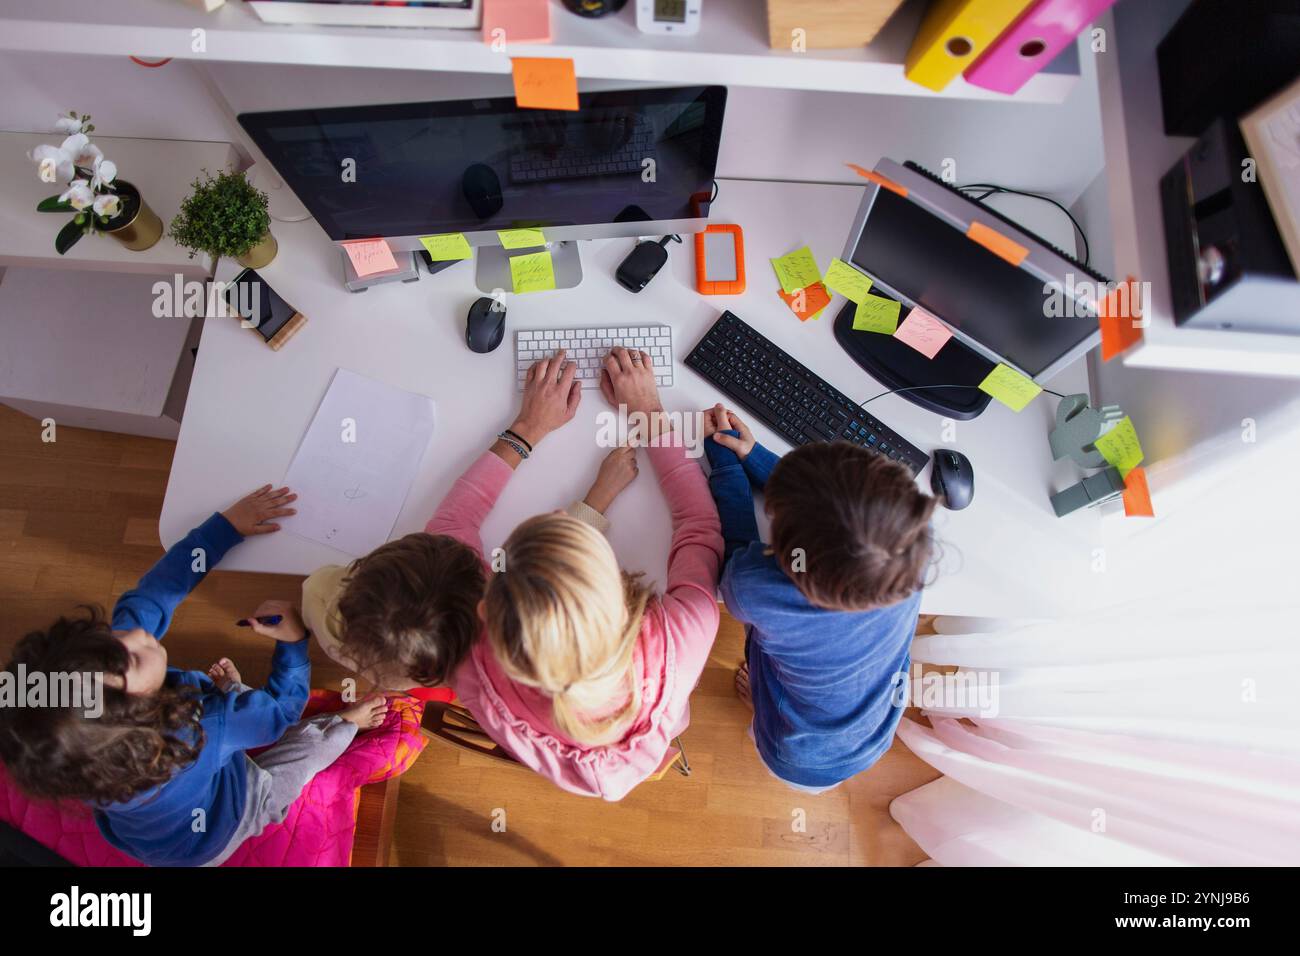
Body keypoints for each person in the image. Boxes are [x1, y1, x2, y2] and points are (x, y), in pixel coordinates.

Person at [0, 486, 386, 866]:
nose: (134, 634)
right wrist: (294, 643)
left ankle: (232, 690)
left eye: (105, 637)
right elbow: (282, 712)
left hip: (148, 840)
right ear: (141, 713)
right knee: (298, 756)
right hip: (219, 831)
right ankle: (345, 724)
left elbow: (157, 592)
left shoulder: (84, 752)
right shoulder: (204, 727)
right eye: (131, 660)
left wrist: (225, 528)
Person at [435, 347, 723, 800]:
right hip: (640, 735)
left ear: (486, 609)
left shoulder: (469, 656)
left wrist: (526, 428)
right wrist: (648, 413)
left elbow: (450, 528)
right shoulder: (682, 638)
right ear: (614, 582)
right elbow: (699, 526)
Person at [702, 404, 937, 792]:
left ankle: (764, 707)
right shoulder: (910, 545)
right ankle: (771, 703)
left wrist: (728, 467)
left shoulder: (758, 590)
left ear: (789, 553)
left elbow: (737, 557)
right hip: (875, 730)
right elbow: (838, 514)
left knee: (774, 710)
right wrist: (754, 455)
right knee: (801, 696)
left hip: (797, 756)